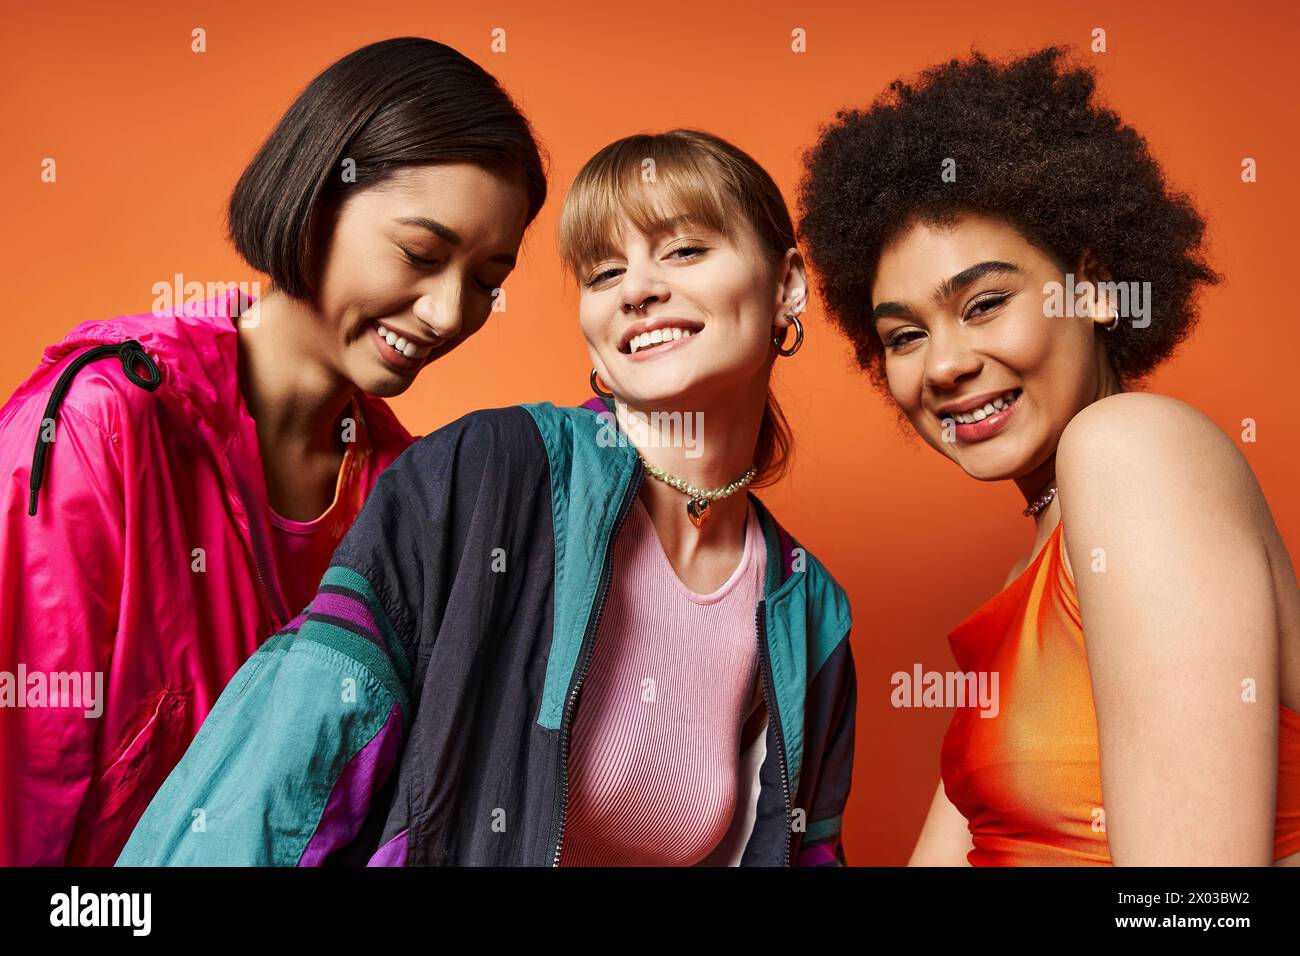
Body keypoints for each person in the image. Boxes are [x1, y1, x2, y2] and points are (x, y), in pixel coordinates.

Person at [118, 128, 857, 867]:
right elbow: (288, 770)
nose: (637, 290)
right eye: (603, 273)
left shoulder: (807, 608)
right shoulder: (490, 476)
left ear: (787, 283)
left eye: (684, 250)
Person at [0, 35, 546, 865]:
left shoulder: (413, 498)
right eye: (422, 254)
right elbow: (24, 784)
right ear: (315, 196)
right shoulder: (100, 428)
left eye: (485, 281)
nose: (447, 313)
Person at [797, 46, 1300, 865]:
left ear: (1094, 287)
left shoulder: (1133, 451)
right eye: (906, 336)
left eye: (985, 303)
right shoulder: (1039, 566)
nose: (945, 363)